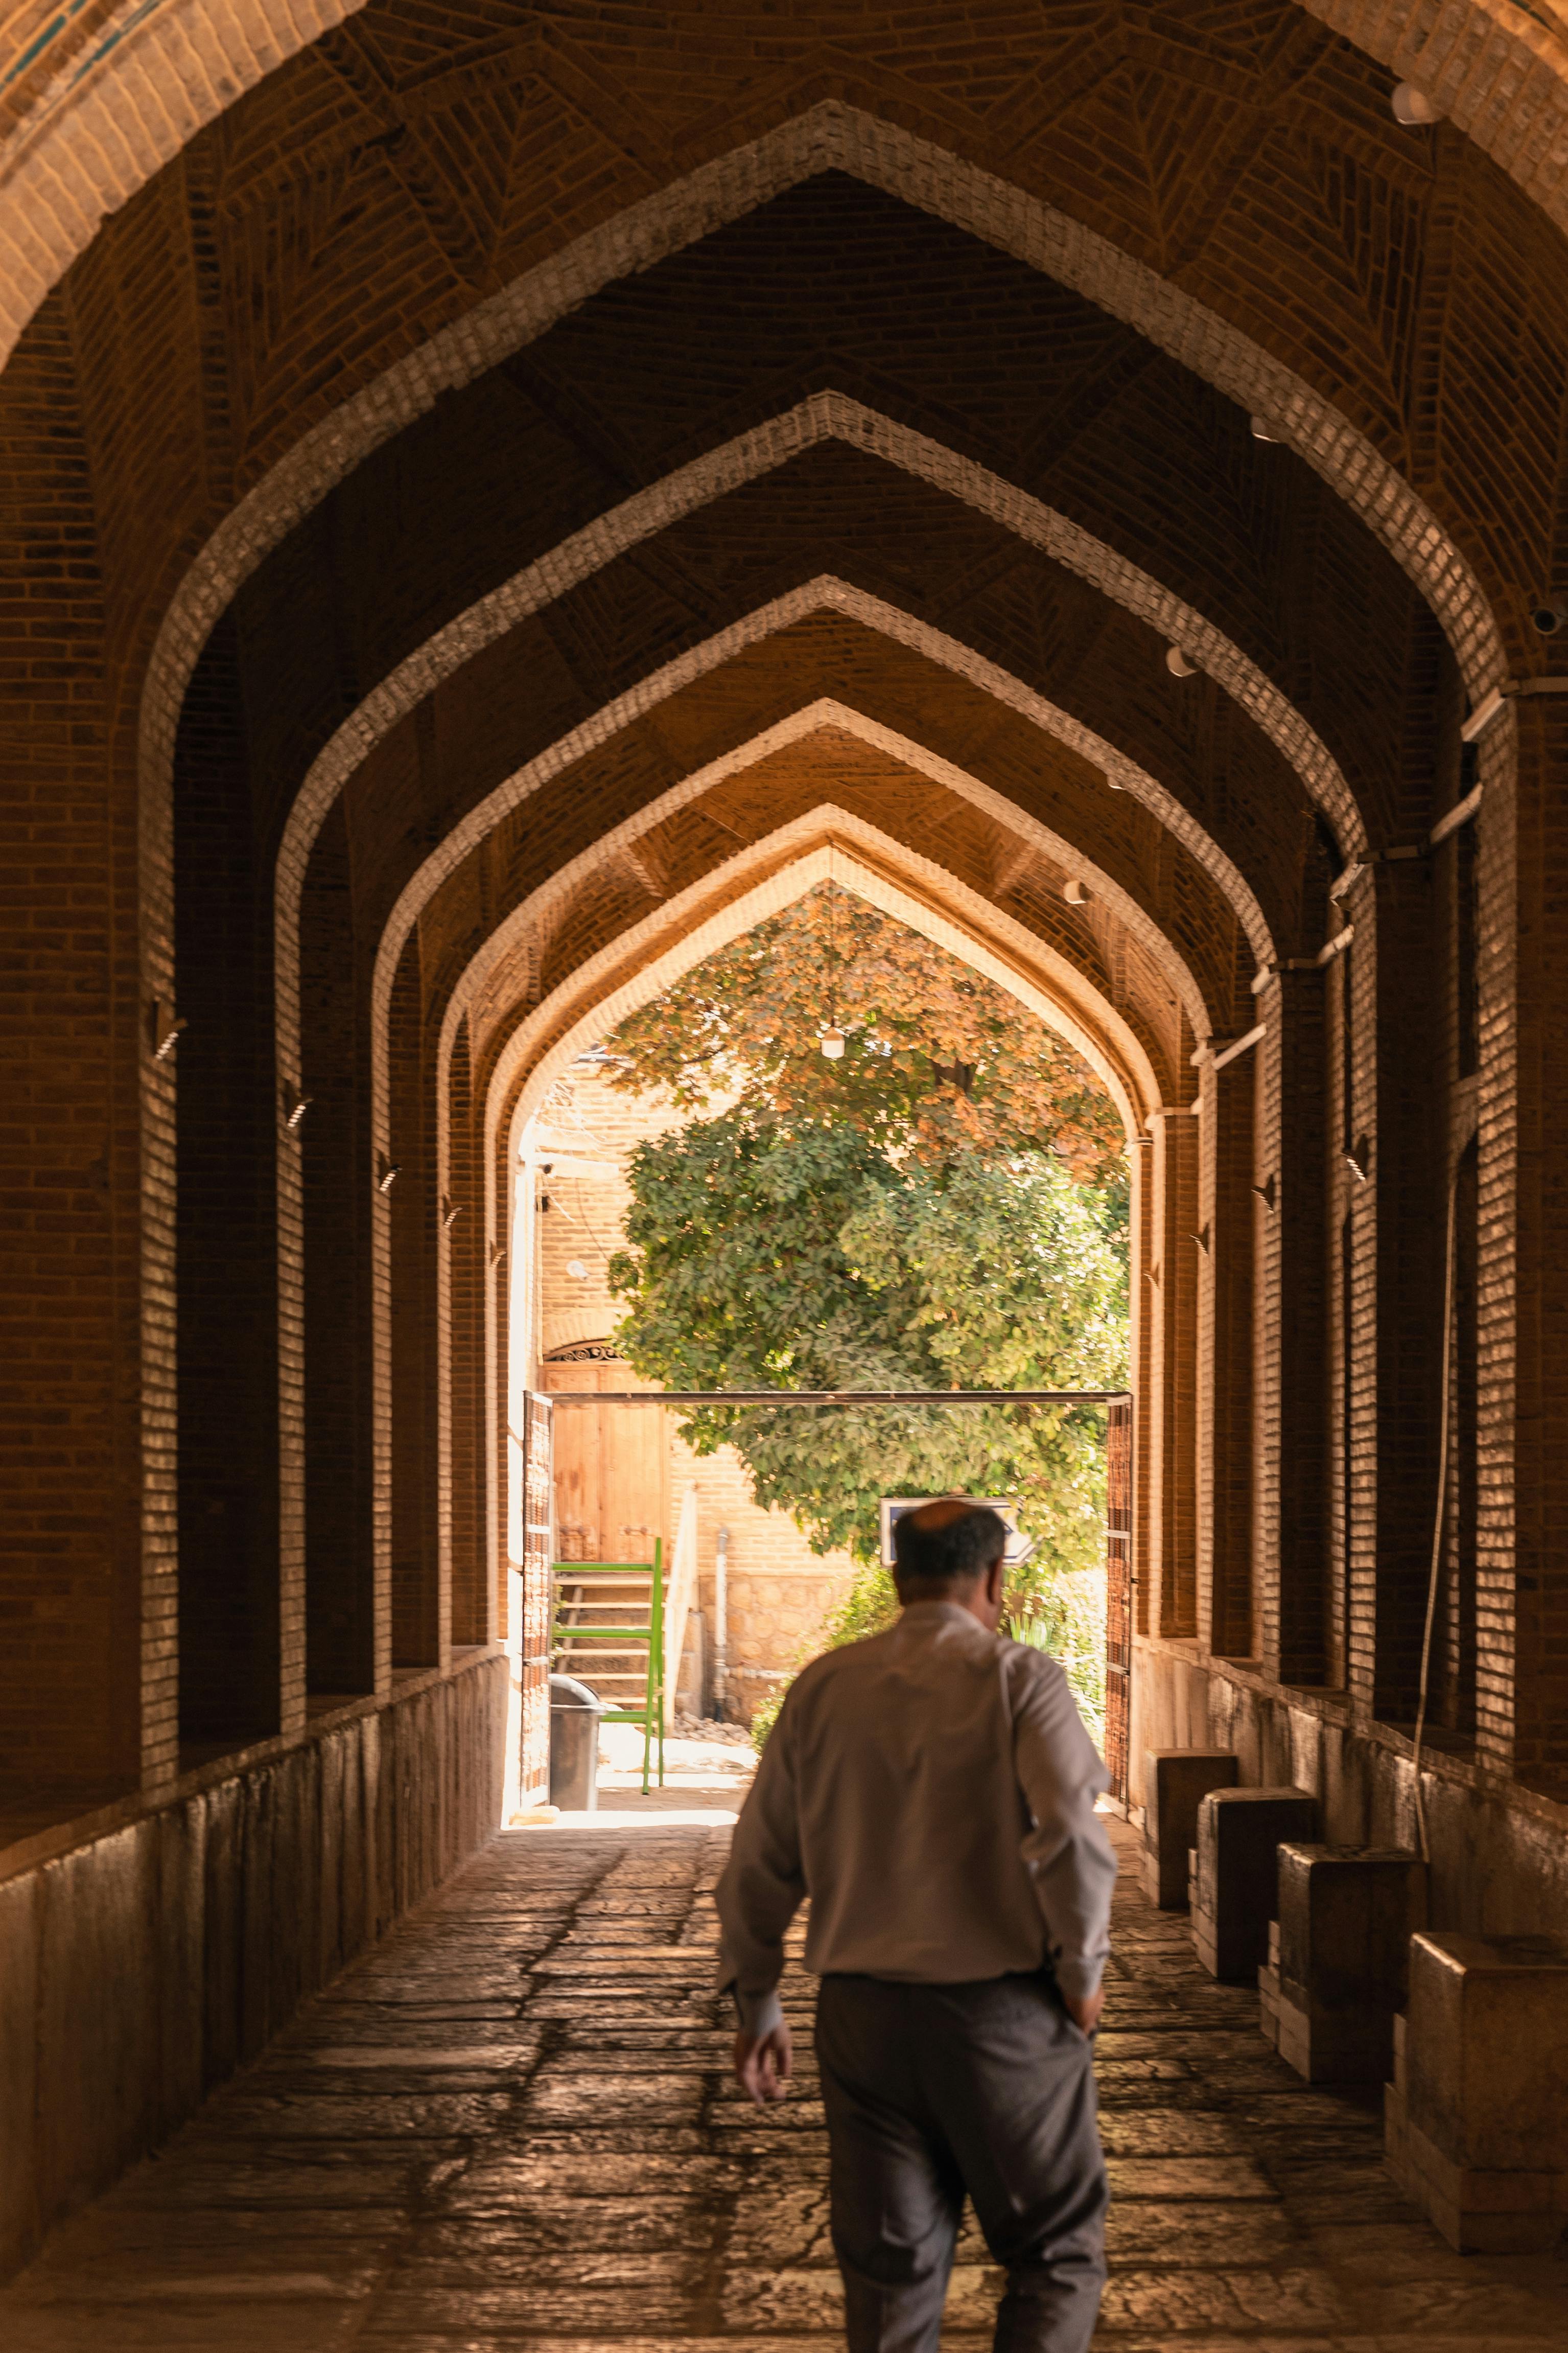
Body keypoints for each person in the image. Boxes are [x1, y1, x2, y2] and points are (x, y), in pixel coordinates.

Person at [715, 1496, 1117, 2353]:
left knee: (890, 2275)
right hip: (1000, 2018)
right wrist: (1081, 1976)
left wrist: (756, 1998)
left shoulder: (825, 1686)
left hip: (862, 2024)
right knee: (1054, 2253)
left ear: (894, 1575)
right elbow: (1073, 1838)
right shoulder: (1019, 1679)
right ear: (995, 1578)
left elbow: (758, 1859)